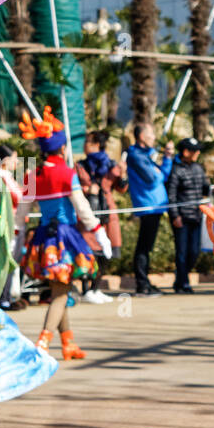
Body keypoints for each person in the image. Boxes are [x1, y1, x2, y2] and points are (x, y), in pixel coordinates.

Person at [19, 106, 112, 358]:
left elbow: (22, 212)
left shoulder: (31, 173)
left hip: (42, 240)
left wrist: (17, 238)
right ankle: (43, 341)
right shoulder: (66, 173)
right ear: (62, 148)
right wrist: (99, 232)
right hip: (64, 239)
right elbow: (82, 208)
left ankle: (68, 343)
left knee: (60, 288)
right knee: (61, 292)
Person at [77, 130, 126, 304]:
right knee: (87, 251)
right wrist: (86, 190)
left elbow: (121, 187)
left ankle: (95, 288)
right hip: (87, 212)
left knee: (106, 253)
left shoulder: (112, 166)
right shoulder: (80, 165)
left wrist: (124, 173)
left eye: (88, 142)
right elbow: (73, 187)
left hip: (107, 212)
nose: (84, 146)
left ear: (97, 144)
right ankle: (85, 289)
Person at [125, 122, 173, 297]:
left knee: (147, 247)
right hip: (147, 206)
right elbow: (153, 178)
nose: (154, 138)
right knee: (143, 246)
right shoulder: (135, 155)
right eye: (151, 134)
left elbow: (162, 174)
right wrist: (162, 166)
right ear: (142, 137)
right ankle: (142, 284)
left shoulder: (147, 155)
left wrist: (165, 159)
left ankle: (145, 282)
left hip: (156, 206)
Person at [167, 137, 210, 293]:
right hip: (182, 218)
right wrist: (174, 216)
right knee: (182, 252)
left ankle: (180, 277)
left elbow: (205, 187)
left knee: (194, 251)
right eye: (194, 150)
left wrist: (213, 188)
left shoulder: (198, 168)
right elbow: (171, 195)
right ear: (186, 152)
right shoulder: (175, 169)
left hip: (196, 216)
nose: (197, 153)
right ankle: (182, 283)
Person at [0, 143, 27, 309]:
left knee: (11, 263)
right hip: (9, 226)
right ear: (6, 159)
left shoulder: (6, 175)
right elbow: (19, 197)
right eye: (15, 158)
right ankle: (3, 298)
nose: (17, 162)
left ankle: (6, 297)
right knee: (8, 263)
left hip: (14, 224)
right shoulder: (1, 176)